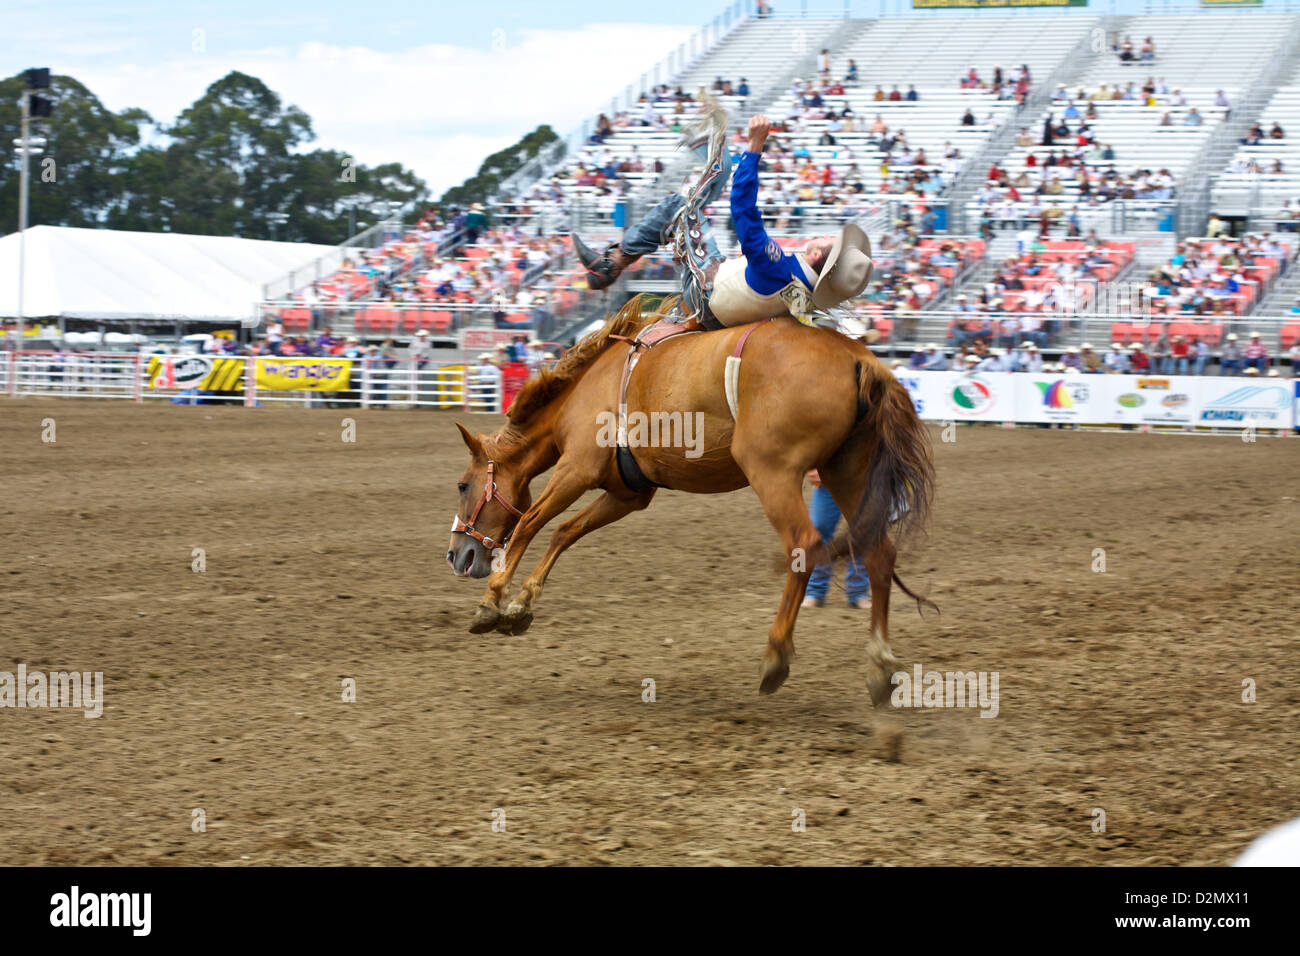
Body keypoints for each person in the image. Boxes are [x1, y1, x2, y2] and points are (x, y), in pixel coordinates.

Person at [572, 111, 873, 329]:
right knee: (700, 196)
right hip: (723, 294)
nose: (824, 234)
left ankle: (610, 264)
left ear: (818, 254)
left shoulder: (779, 266)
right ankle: (713, 154)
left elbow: (742, 208)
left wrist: (755, 147)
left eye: (829, 239)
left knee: (683, 204)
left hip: (705, 293)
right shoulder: (810, 299)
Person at [801, 470, 870, 611]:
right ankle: (814, 590)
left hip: (860, 476)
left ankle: (858, 591)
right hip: (828, 477)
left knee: (861, 531)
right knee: (819, 528)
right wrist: (815, 467)